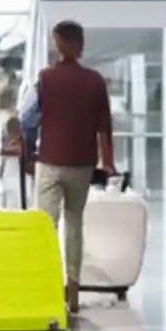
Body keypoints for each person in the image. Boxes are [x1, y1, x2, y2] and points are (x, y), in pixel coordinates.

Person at [18, 20, 116, 314]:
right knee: (75, 225)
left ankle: (47, 286)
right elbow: (104, 127)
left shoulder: (45, 79)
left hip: (50, 160)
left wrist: (29, 155)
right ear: (81, 45)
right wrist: (107, 162)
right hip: (82, 164)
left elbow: (26, 118)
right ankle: (72, 291)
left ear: (58, 43)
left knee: (46, 225)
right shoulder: (96, 81)